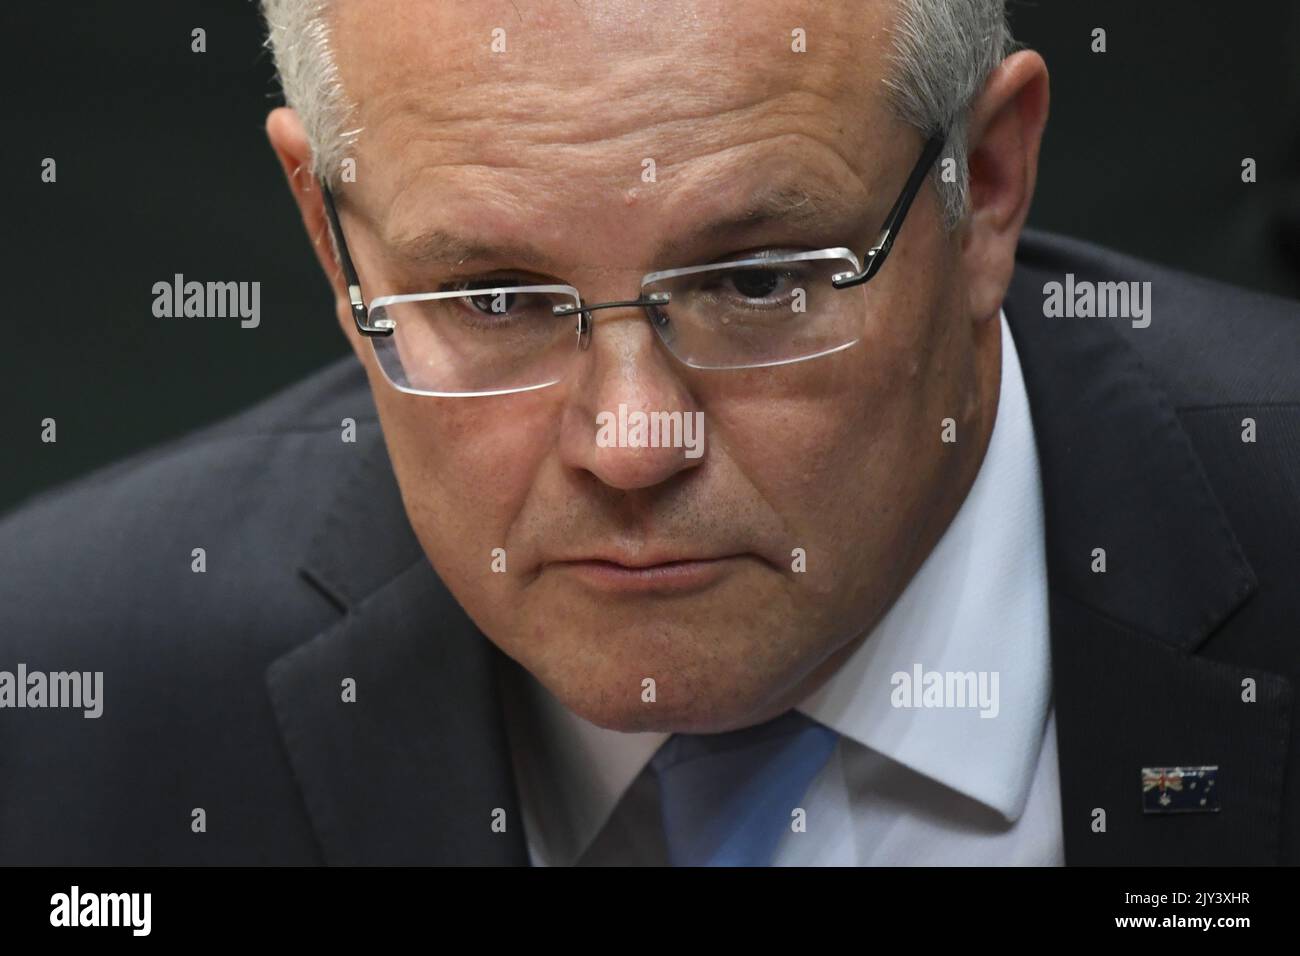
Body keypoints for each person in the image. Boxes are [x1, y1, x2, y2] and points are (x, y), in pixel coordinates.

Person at [1, 0, 1297, 866]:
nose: (629, 443)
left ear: (989, 183)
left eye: (754, 284)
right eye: (495, 299)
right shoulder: (68, 707)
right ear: (331, 242)